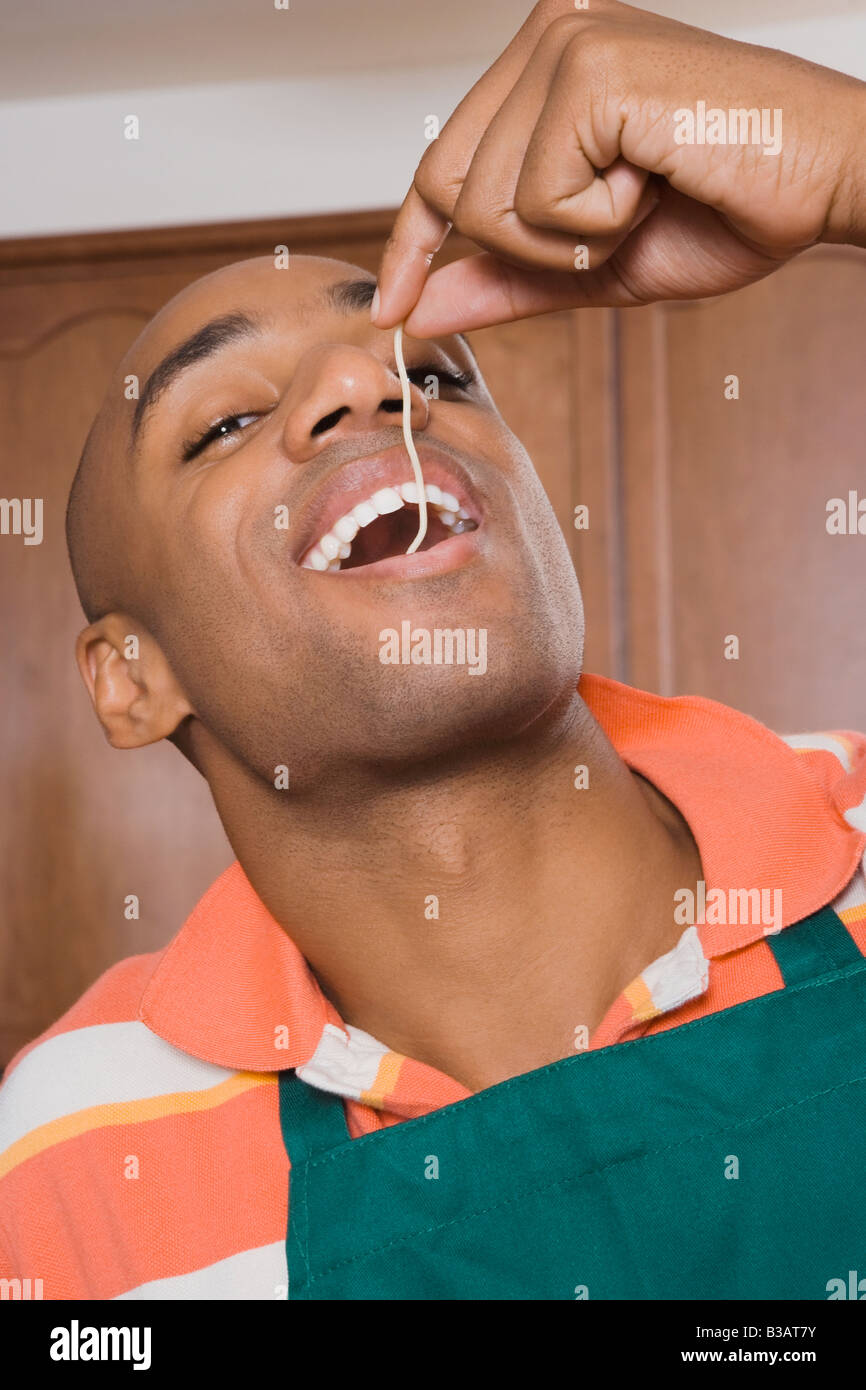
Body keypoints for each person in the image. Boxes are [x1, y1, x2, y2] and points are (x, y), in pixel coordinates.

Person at [1, 0, 865, 1301]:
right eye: (226, 419)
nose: (370, 391)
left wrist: (852, 159)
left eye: (436, 375)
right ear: (132, 677)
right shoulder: (65, 1153)